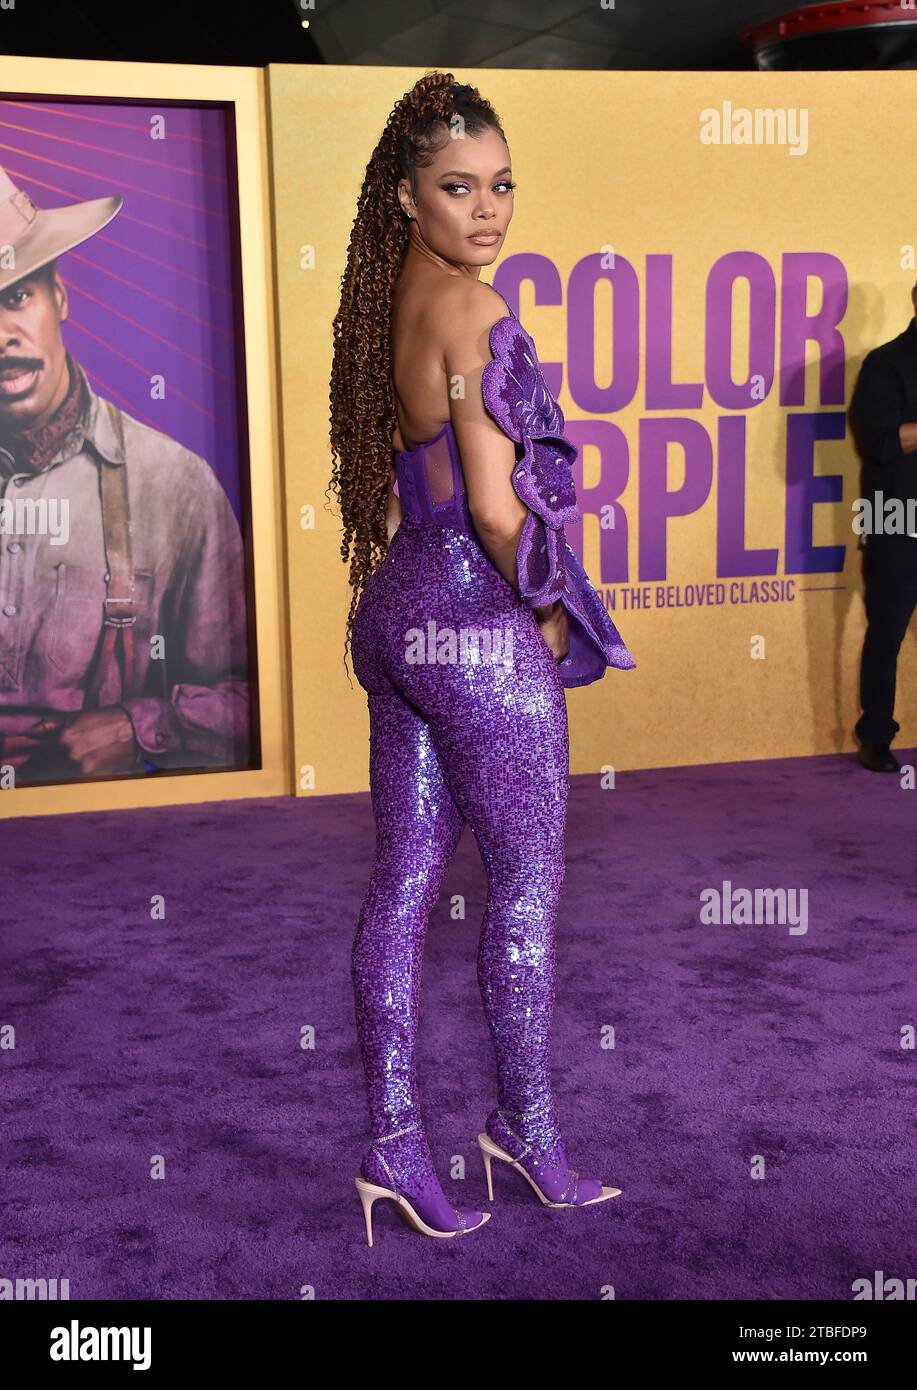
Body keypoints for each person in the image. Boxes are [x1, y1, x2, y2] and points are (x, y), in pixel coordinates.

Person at [329, 73, 635, 1244]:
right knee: (521, 890)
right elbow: (504, 515)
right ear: (407, 196)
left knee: (403, 880)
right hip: (474, 617)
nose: (487, 209)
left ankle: (394, 1143)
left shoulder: (387, 300)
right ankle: (525, 1130)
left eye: (500, 185)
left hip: (397, 608)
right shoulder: (473, 307)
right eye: (458, 188)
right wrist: (549, 614)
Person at [0, 165, 250, 786]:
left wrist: (139, 728)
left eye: (15, 297)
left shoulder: (175, 487)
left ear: (59, 296)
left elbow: (255, 699)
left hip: (101, 838)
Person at [848, 281, 917, 772]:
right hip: (896, 517)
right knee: (887, 629)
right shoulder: (885, 363)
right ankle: (876, 736)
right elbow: (880, 442)